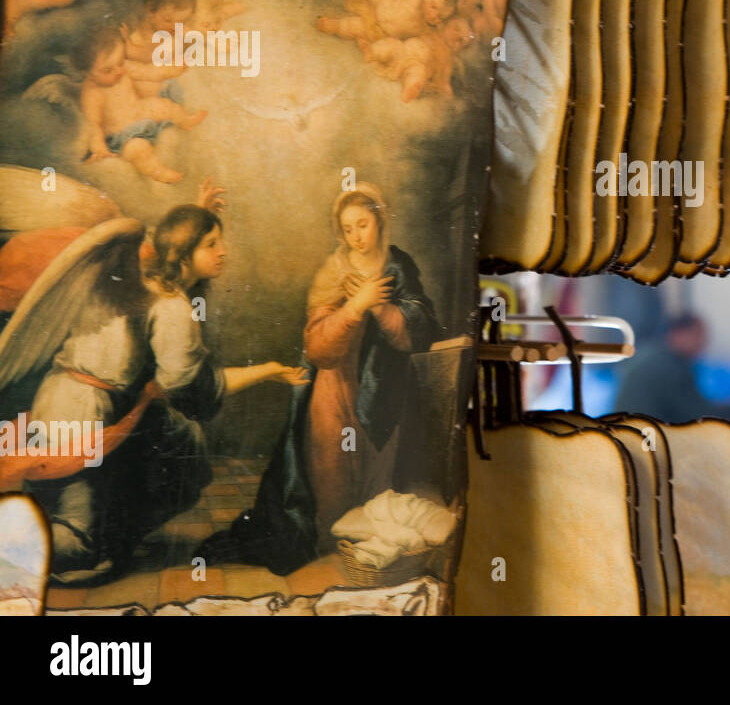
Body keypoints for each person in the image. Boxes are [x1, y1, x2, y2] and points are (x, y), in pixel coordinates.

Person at [24, 197, 306, 583]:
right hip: (80, 419)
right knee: (77, 542)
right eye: (211, 244)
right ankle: (59, 543)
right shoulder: (171, 305)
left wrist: (196, 215)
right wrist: (267, 371)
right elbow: (188, 384)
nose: (223, 252)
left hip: (61, 403)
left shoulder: (137, 277)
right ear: (184, 253)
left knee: (182, 441)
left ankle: (111, 538)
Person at [302, 184, 438, 546]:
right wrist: (354, 306)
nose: (356, 237)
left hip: (383, 384)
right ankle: (335, 552)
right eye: (347, 229)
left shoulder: (398, 265)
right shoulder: (333, 269)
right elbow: (316, 347)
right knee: (334, 474)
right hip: (336, 387)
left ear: (380, 220)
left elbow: (421, 326)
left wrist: (379, 307)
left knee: (378, 481)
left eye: (363, 224)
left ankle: (371, 555)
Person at [614, 314, 728, 423]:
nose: (702, 343)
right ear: (678, 333)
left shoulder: (649, 354)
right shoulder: (669, 366)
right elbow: (695, 414)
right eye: (697, 335)